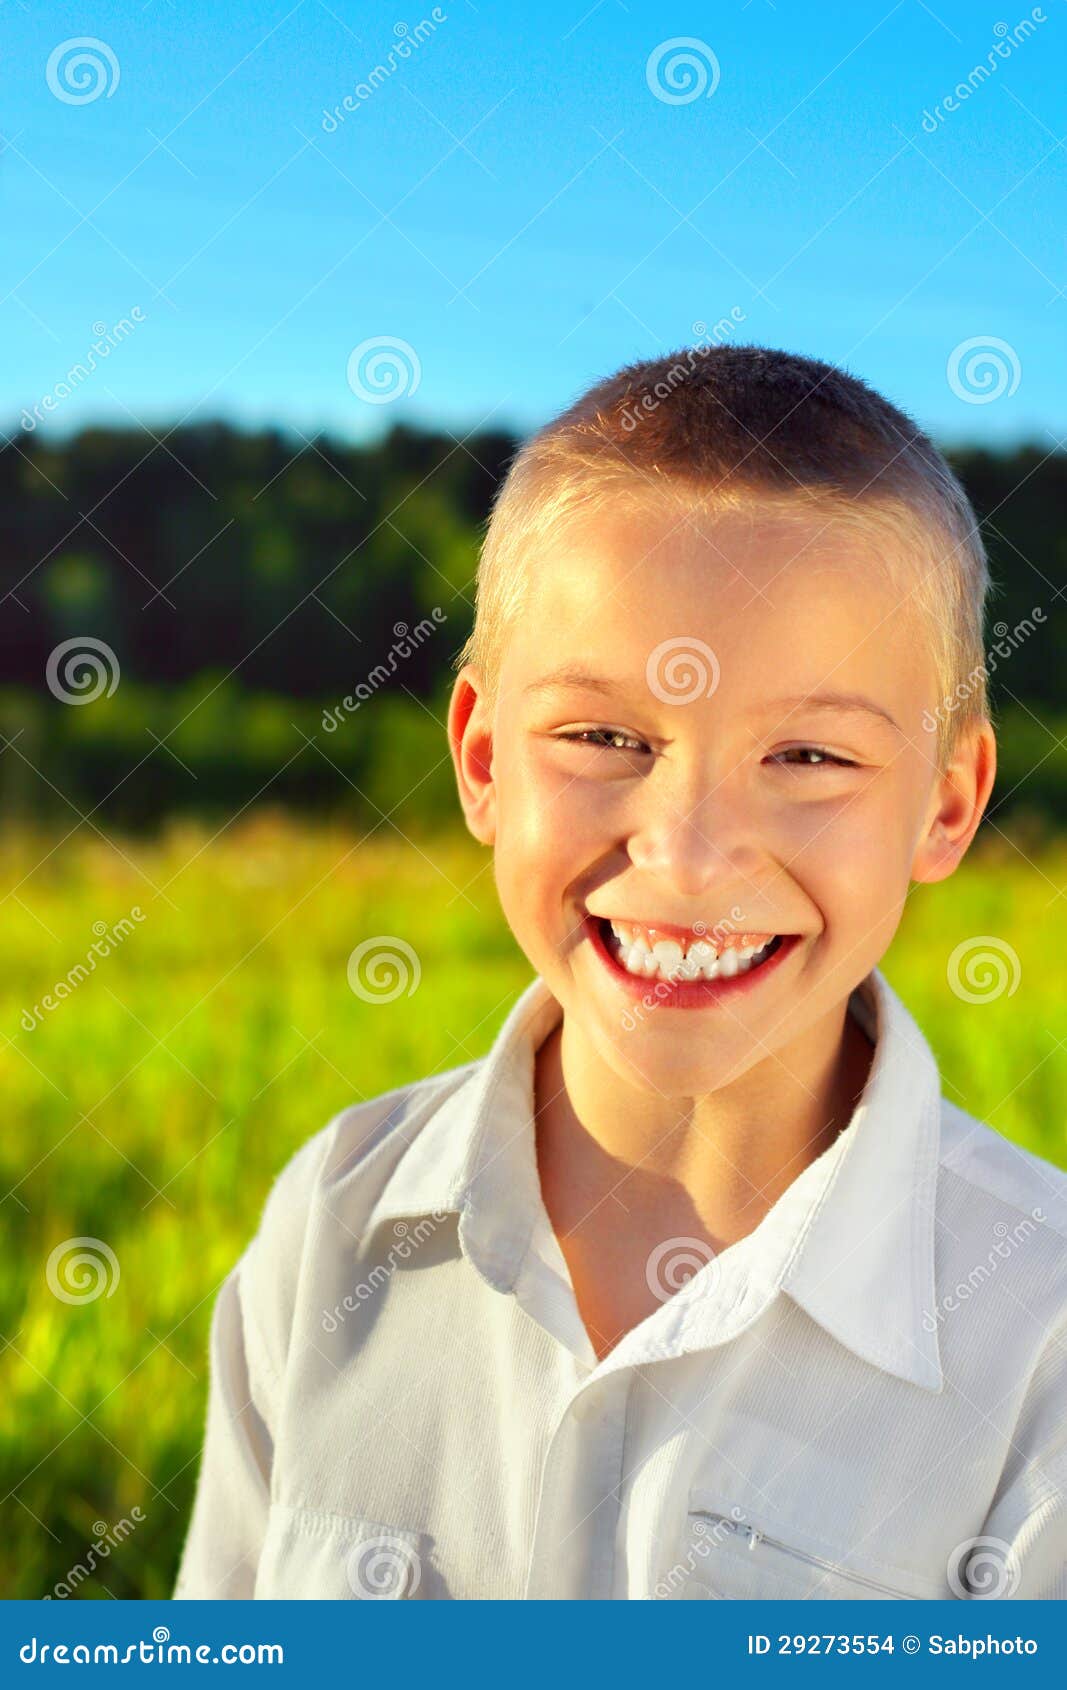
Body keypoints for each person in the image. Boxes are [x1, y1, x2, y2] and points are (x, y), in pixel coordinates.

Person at [174, 345, 1067, 1601]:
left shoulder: (1038, 1337)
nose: (690, 859)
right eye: (603, 737)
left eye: (808, 757)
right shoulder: (331, 1226)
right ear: (483, 761)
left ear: (946, 803)